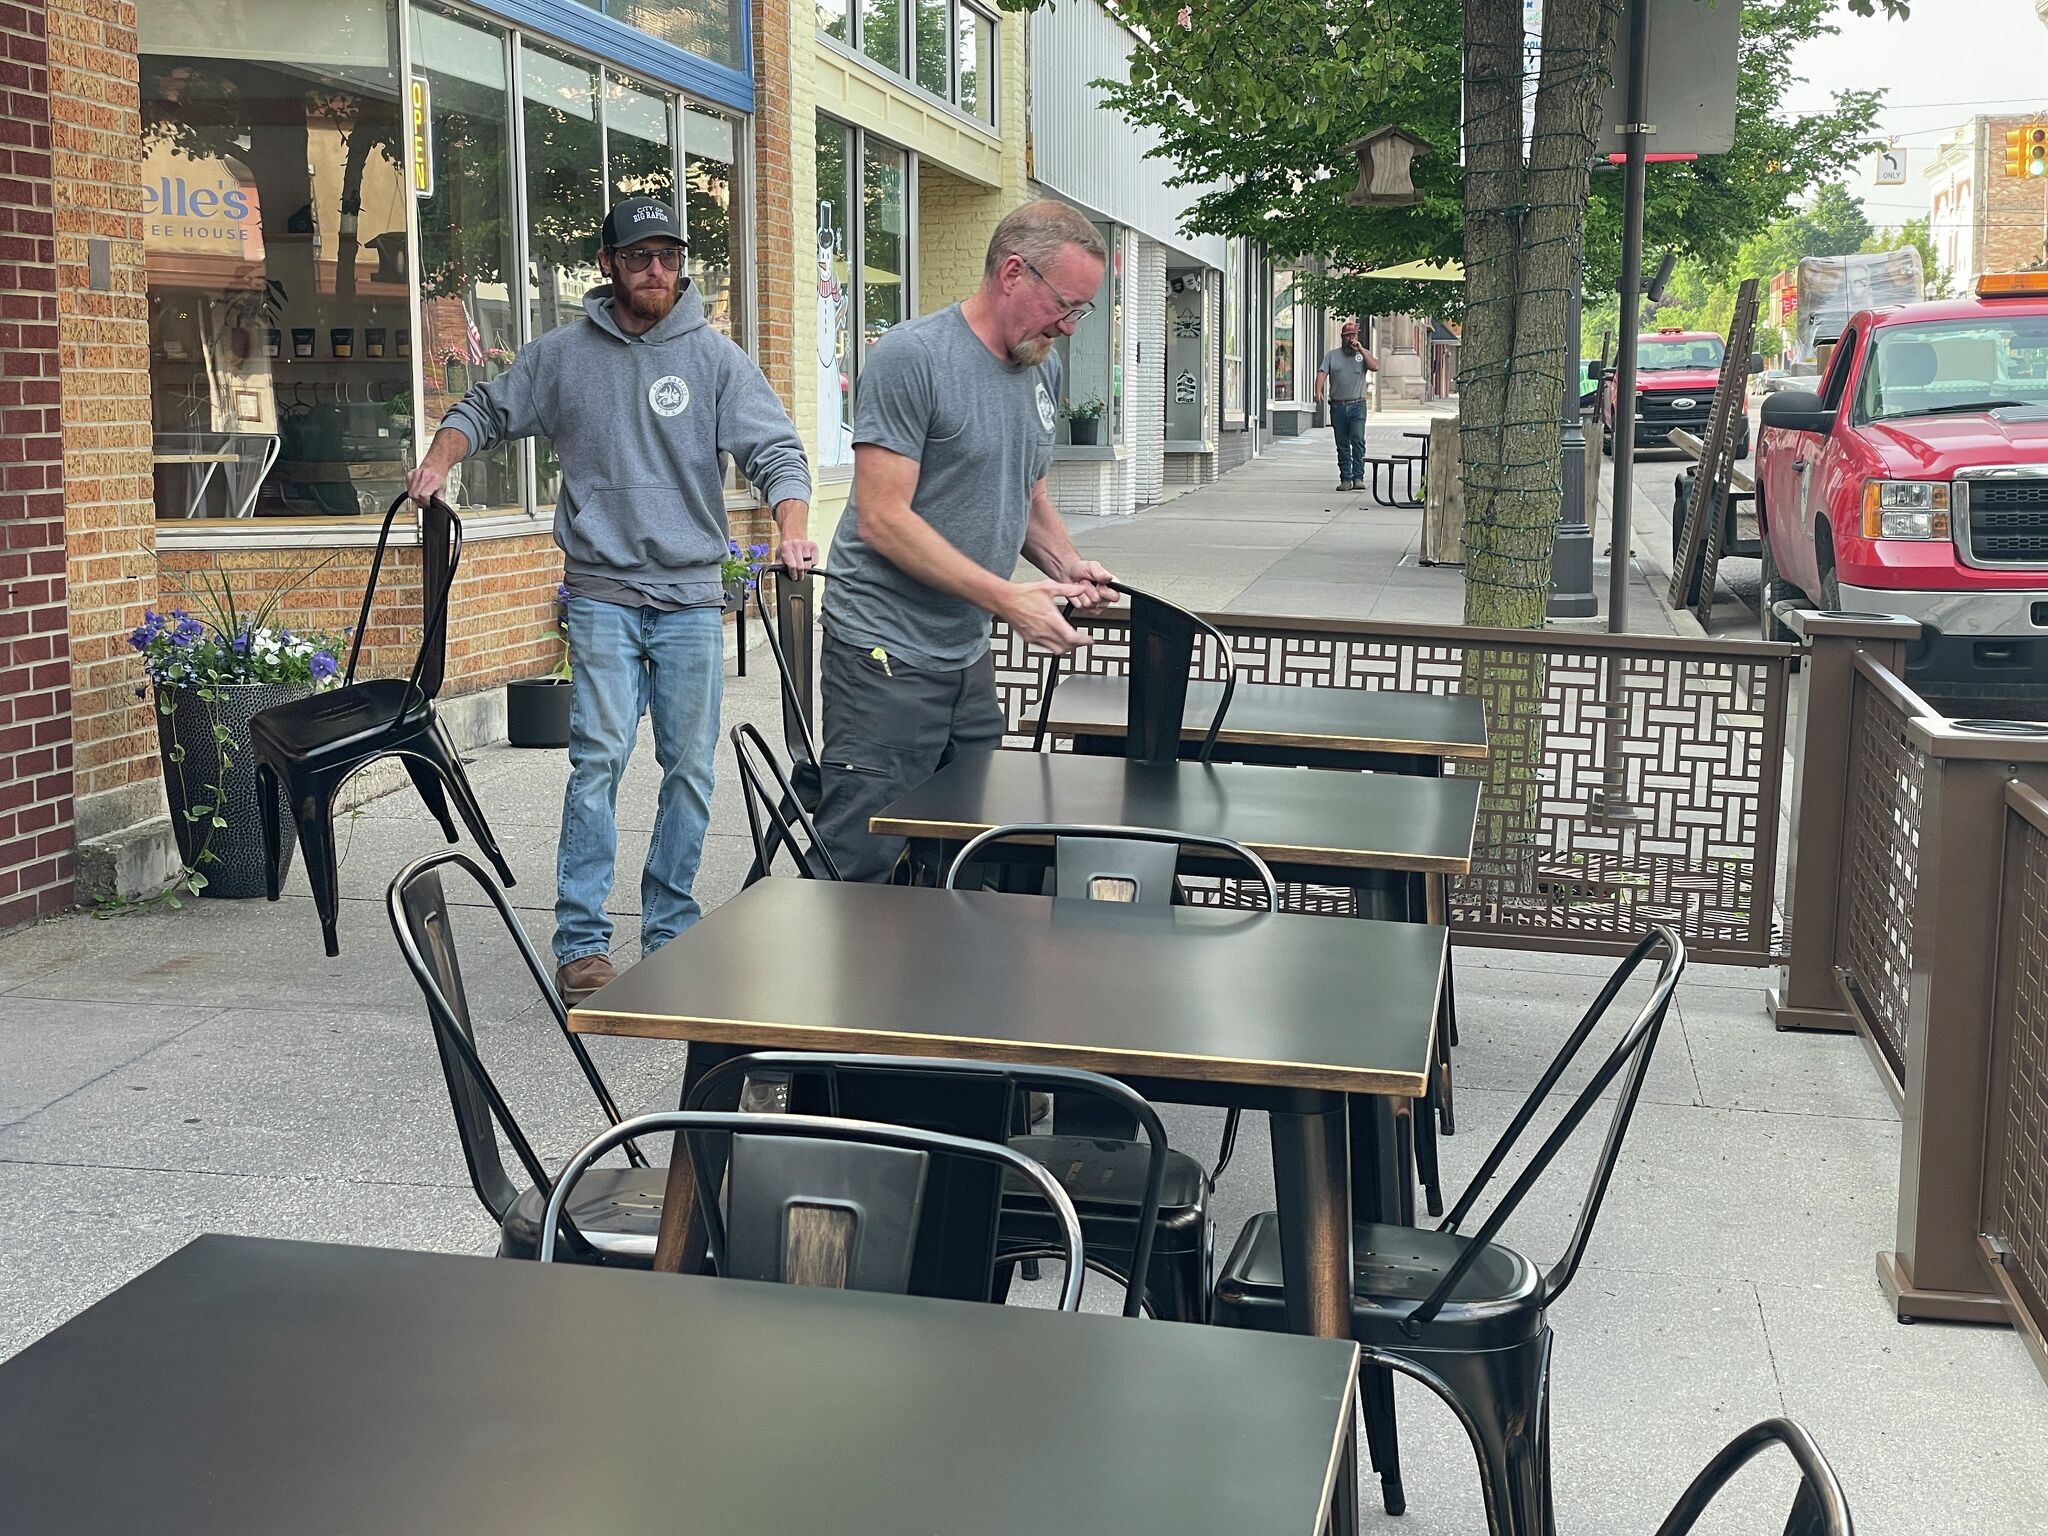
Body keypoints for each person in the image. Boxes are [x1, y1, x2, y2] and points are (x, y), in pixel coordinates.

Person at [405, 197, 816, 1003]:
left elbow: (776, 451)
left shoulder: (715, 359)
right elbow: (484, 408)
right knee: (597, 763)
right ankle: (583, 944)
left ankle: (670, 934)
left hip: (693, 596)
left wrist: (794, 529)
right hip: (601, 594)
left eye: (668, 255)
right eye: (639, 256)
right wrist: (438, 460)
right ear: (608, 263)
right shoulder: (563, 357)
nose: (656, 270)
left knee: (690, 770)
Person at [814, 199, 1118, 882]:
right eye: (1066, 306)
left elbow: (1027, 489)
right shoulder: (912, 358)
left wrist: (1067, 565)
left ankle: (940, 988)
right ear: (1014, 273)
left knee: (977, 853)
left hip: (963, 652)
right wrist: (1008, 599)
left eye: (1082, 313)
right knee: (860, 859)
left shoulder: (1040, 366)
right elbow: (882, 518)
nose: (1069, 329)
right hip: (882, 651)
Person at [1316, 319, 1382, 492]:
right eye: (1347, 336)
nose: (1351, 338)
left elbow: (1375, 366)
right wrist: (1318, 390)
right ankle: (1345, 478)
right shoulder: (1332, 355)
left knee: (1358, 440)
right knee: (1342, 443)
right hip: (1338, 406)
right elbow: (1322, 372)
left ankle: (1358, 477)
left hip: (1357, 405)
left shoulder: (1362, 354)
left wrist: (1361, 349)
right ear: (1342, 338)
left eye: (1353, 334)